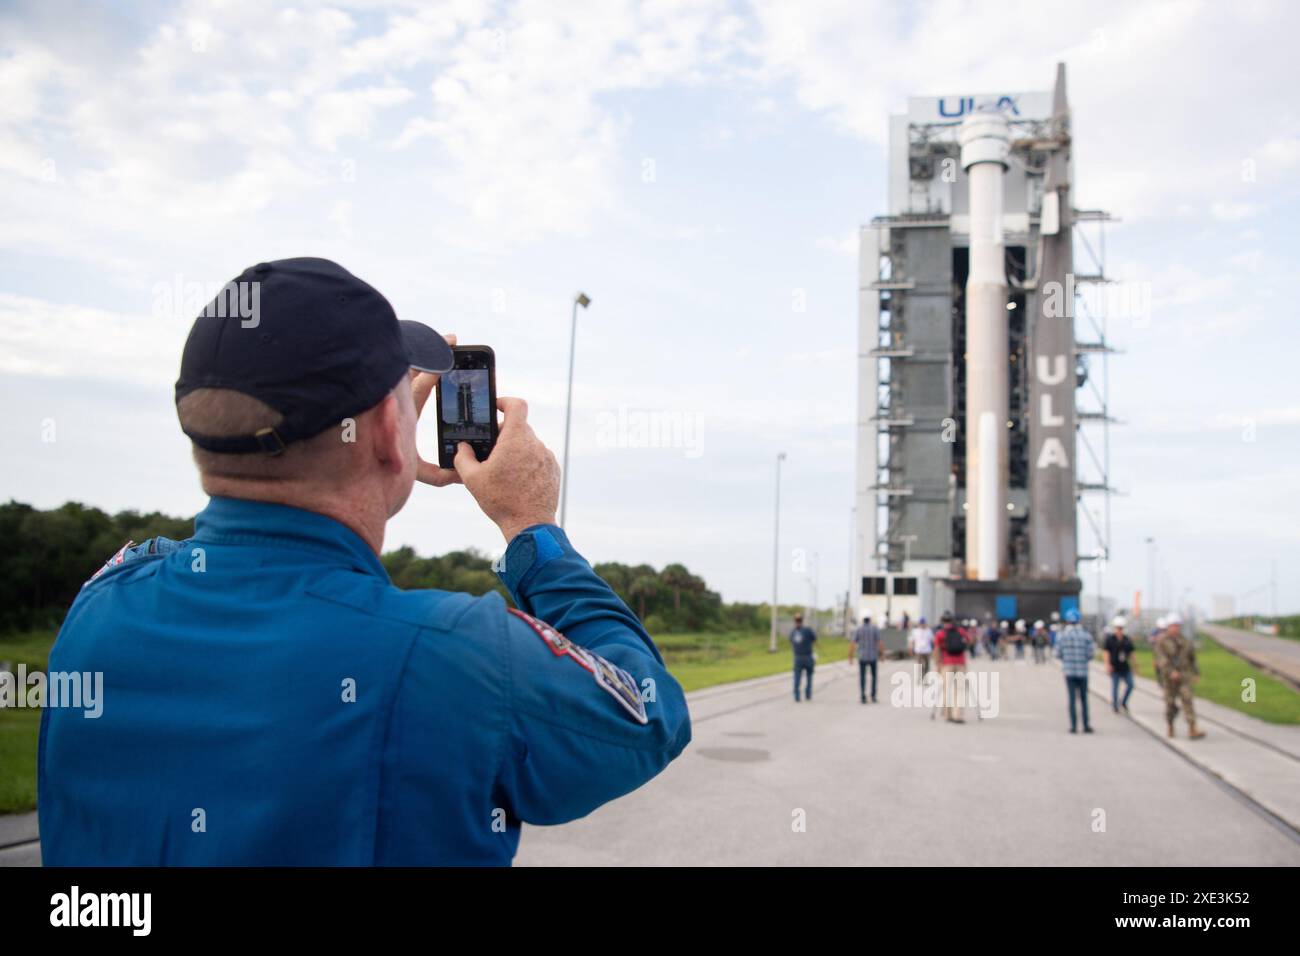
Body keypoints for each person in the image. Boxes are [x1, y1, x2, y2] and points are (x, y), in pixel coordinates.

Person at [38, 258, 691, 866]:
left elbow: (191, 549)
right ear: (385, 429)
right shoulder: (458, 655)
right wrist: (531, 526)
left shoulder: (104, 602)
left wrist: (380, 446)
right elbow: (649, 712)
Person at [1153, 613, 1205, 739]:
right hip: (1169, 679)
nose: (1176, 628)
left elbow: (1192, 658)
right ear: (1168, 627)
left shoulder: (1185, 641)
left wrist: (1196, 672)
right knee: (1170, 704)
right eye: (1173, 625)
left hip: (1184, 676)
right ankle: (1170, 725)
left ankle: (1192, 728)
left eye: (1178, 625)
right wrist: (1171, 671)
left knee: (1188, 699)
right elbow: (1161, 659)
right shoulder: (1161, 641)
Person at [1055, 607, 1096, 734]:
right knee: (1084, 699)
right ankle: (1086, 725)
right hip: (1083, 672)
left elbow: (1057, 653)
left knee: (1072, 699)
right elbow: (1091, 654)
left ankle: (1073, 726)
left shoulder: (1062, 635)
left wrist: (1067, 659)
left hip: (1069, 672)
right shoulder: (1086, 635)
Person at [933, 611, 968, 723]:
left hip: (946, 663)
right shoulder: (961, 631)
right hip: (960, 663)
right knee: (960, 689)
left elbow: (937, 650)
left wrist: (937, 664)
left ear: (942, 621)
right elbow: (970, 641)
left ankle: (948, 715)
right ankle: (958, 715)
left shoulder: (940, 634)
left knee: (946, 689)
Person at [1104, 615, 1136, 713]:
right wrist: (1107, 665)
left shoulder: (1127, 640)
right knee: (1115, 688)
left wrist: (1135, 665)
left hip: (1125, 667)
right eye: (1118, 628)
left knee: (1131, 685)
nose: (1119, 630)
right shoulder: (1110, 639)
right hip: (1115, 667)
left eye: (1121, 628)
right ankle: (1115, 705)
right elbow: (1106, 653)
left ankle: (1123, 702)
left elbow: (1131, 653)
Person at [852, 614, 884, 703]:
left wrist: (850, 656)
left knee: (862, 677)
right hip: (873, 656)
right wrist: (882, 654)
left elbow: (853, 643)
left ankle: (863, 695)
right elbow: (879, 642)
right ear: (870, 620)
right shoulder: (875, 629)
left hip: (862, 657)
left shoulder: (859, 629)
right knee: (874, 676)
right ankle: (873, 696)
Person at [790, 612, 817, 702]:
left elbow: (791, 641)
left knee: (797, 677)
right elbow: (814, 639)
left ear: (795, 621)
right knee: (809, 676)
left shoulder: (793, 632)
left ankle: (797, 696)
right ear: (802, 620)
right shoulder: (807, 630)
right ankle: (808, 694)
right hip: (808, 656)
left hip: (798, 657)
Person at [908, 616, 934, 681]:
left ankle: (925, 678)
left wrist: (933, 650)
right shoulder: (915, 631)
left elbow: (932, 640)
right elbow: (912, 641)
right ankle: (920, 677)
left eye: (923, 623)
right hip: (918, 650)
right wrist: (910, 649)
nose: (922, 624)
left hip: (927, 650)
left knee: (927, 666)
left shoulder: (929, 631)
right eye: (921, 623)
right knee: (919, 665)